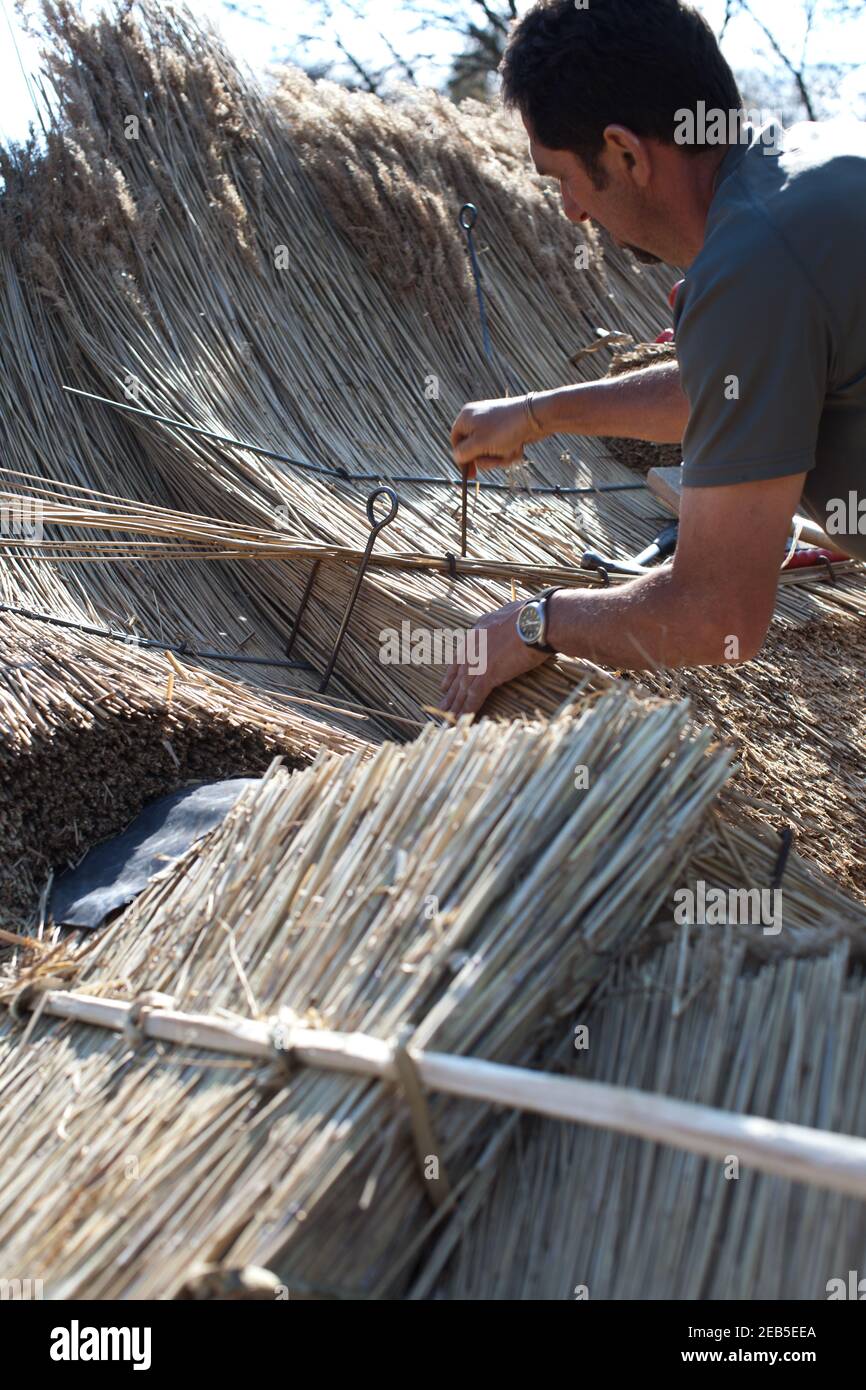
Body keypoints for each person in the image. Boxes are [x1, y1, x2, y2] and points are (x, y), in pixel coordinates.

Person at [441, 0, 866, 717]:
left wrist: (535, 622)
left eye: (562, 178)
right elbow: (734, 389)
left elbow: (714, 613)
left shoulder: (752, 263)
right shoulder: (817, 169)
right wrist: (540, 415)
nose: (573, 211)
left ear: (626, 153)